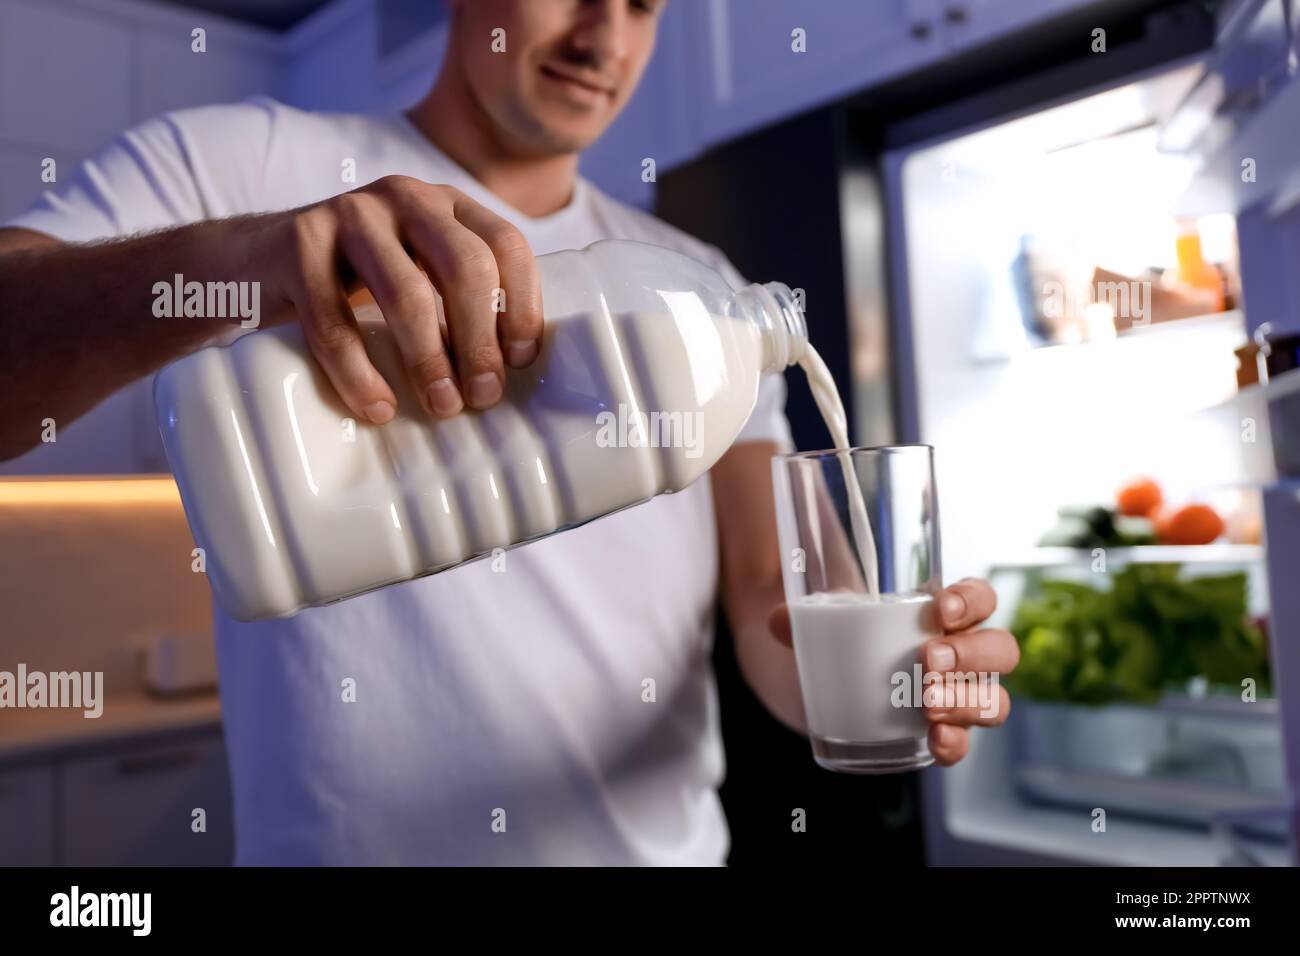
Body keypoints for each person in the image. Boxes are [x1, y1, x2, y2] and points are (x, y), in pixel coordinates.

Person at [0, 0, 1018, 865]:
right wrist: (254, 255)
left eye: (644, 4)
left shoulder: (701, 283)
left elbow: (770, 597)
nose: (602, 36)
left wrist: (895, 678)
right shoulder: (243, 164)